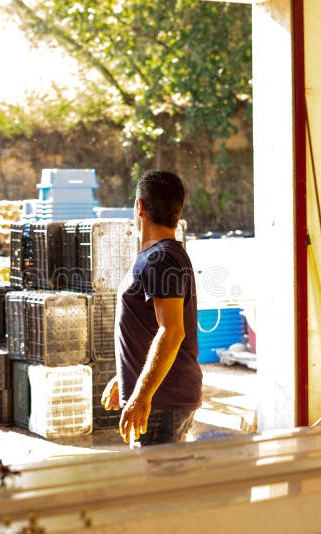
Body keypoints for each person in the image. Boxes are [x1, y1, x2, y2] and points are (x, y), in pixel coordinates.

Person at [101, 170, 202, 446]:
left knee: (160, 486)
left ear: (140, 207)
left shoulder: (160, 258)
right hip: (164, 399)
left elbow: (171, 332)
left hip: (162, 403)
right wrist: (128, 375)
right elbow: (150, 328)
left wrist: (141, 395)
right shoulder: (165, 255)